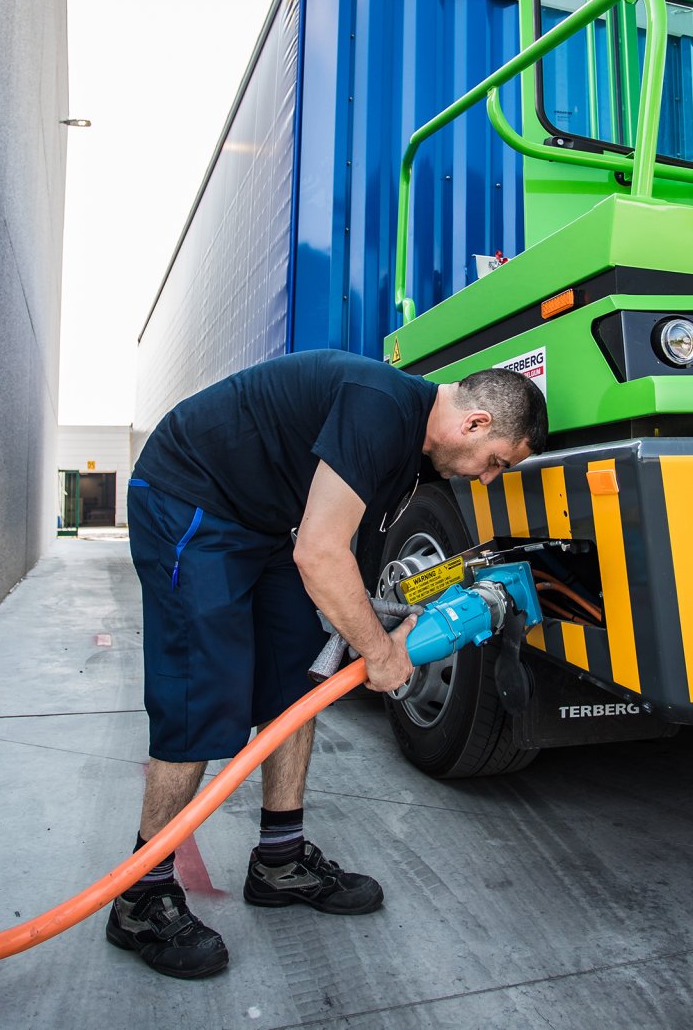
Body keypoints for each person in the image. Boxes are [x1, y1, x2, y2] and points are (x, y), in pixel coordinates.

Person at [107, 349, 548, 979]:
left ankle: (280, 861)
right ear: (475, 424)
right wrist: (381, 652)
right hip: (190, 500)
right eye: (496, 464)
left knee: (297, 682)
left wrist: (398, 623)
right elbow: (319, 553)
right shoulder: (381, 408)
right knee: (199, 690)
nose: (486, 478)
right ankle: (140, 896)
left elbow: (355, 565)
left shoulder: (411, 455)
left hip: (261, 527)